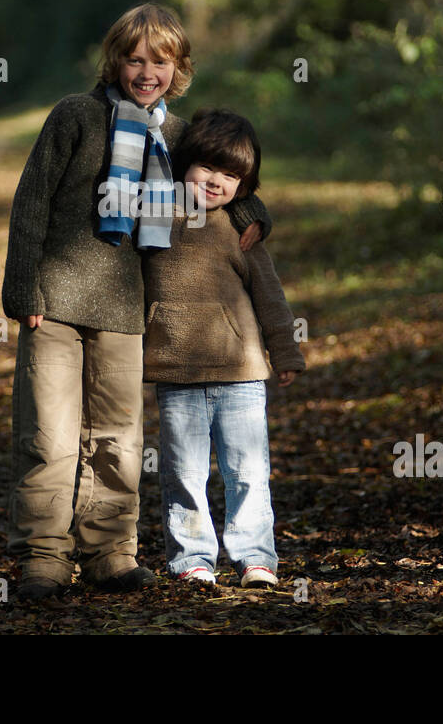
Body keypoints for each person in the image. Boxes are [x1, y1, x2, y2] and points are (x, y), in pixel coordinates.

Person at [1, 3, 272, 601]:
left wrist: (252, 209)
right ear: (115, 61)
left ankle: (109, 553)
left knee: (118, 437)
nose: (146, 71)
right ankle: (44, 558)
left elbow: (224, 175)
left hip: (127, 310)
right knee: (49, 434)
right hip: (54, 301)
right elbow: (31, 202)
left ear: (179, 69)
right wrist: (22, 288)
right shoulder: (75, 116)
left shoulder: (177, 136)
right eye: (135, 58)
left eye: (161, 60)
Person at [143, 109, 305, 588]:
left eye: (231, 175)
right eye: (207, 168)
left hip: (242, 374)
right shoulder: (154, 214)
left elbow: (271, 298)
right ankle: (192, 559)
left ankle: (255, 557)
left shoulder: (243, 230)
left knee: (248, 471)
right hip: (177, 372)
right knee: (184, 475)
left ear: (246, 185)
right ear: (185, 162)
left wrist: (287, 352)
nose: (216, 181)